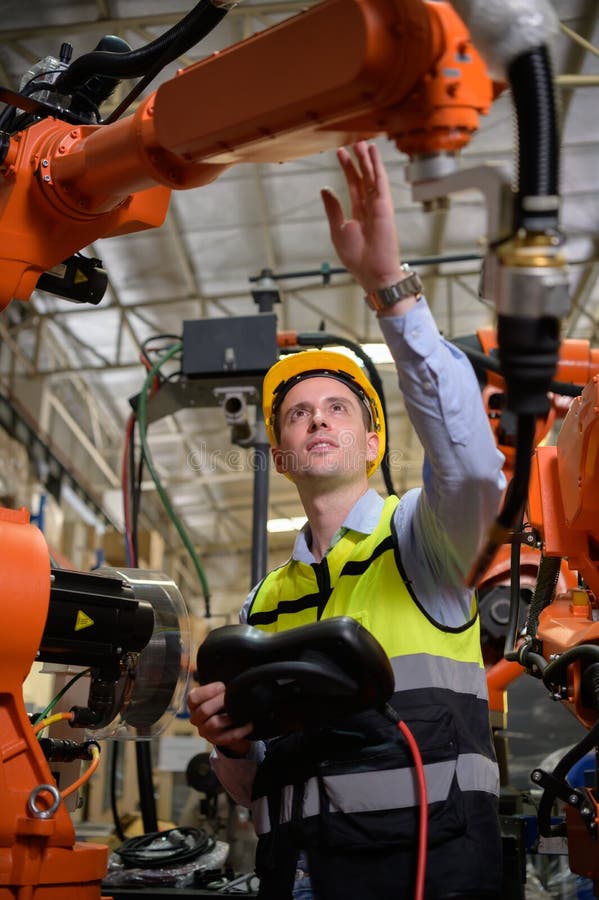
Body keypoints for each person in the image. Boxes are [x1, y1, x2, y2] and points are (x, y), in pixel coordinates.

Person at [188, 141, 506, 900]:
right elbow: (251, 785)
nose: (316, 421)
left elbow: (469, 463)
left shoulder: (424, 542)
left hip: (423, 875)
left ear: (372, 442)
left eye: (338, 409)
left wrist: (390, 291)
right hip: (293, 875)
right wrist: (226, 742)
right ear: (281, 454)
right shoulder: (262, 605)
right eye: (297, 415)